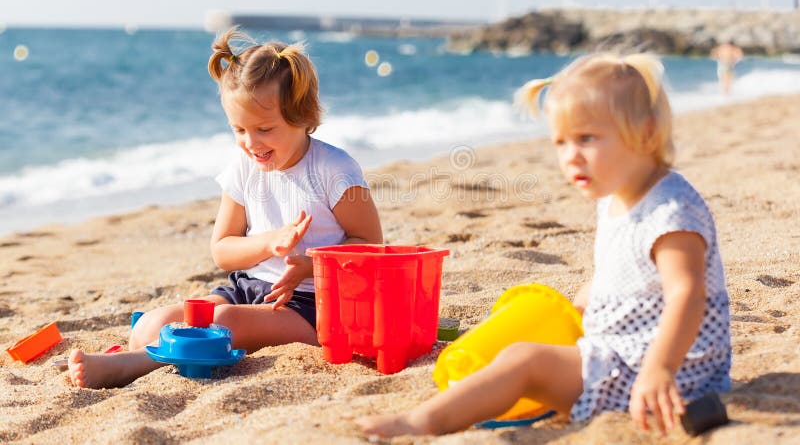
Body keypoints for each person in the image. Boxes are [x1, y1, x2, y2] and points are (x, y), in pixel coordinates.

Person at [357, 53, 731, 437]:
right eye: (561, 142)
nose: (571, 156)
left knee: (526, 361)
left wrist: (659, 370)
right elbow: (616, 275)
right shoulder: (618, 195)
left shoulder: (670, 211)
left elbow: (687, 293)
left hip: (668, 372)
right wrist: (579, 312)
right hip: (630, 348)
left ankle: (422, 422)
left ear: (646, 133)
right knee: (527, 331)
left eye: (587, 138)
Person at [68, 28, 383, 388]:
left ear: (302, 114)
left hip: (315, 307)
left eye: (264, 128)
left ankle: (130, 367)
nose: (251, 143)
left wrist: (311, 267)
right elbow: (223, 250)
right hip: (247, 289)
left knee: (225, 322)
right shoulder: (243, 168)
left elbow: (373, 249)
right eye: (239, 130)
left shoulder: (334, 170)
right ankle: (144, 352)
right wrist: (268, 244)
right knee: (152, 324)